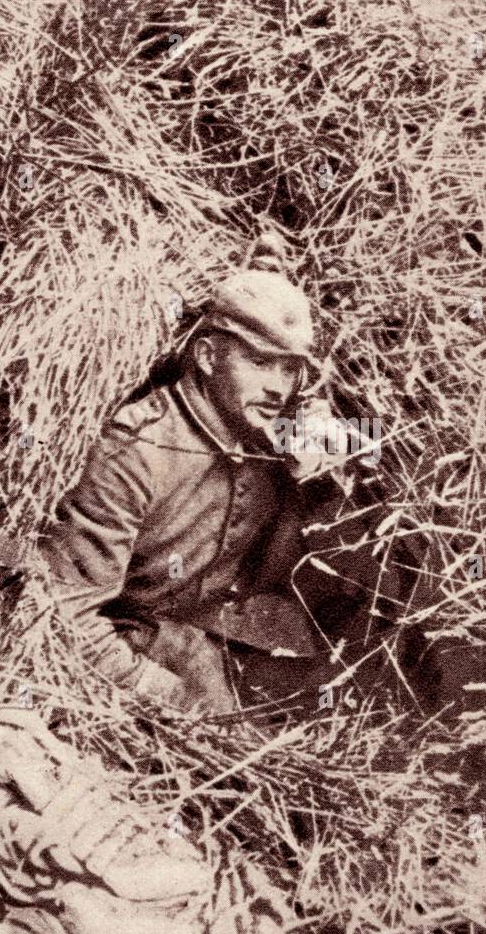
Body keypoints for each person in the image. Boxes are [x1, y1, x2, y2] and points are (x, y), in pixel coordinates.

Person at [40, 249, 351, 715]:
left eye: (289, 369)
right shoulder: (136, 450)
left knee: (343, 690)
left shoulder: (272, 430)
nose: (277, 388)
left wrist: (332, 470)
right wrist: (176, 699)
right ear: (207, 355)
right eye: (260, 362)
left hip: (226, 626)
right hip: (135, 638)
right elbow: (69, 615)